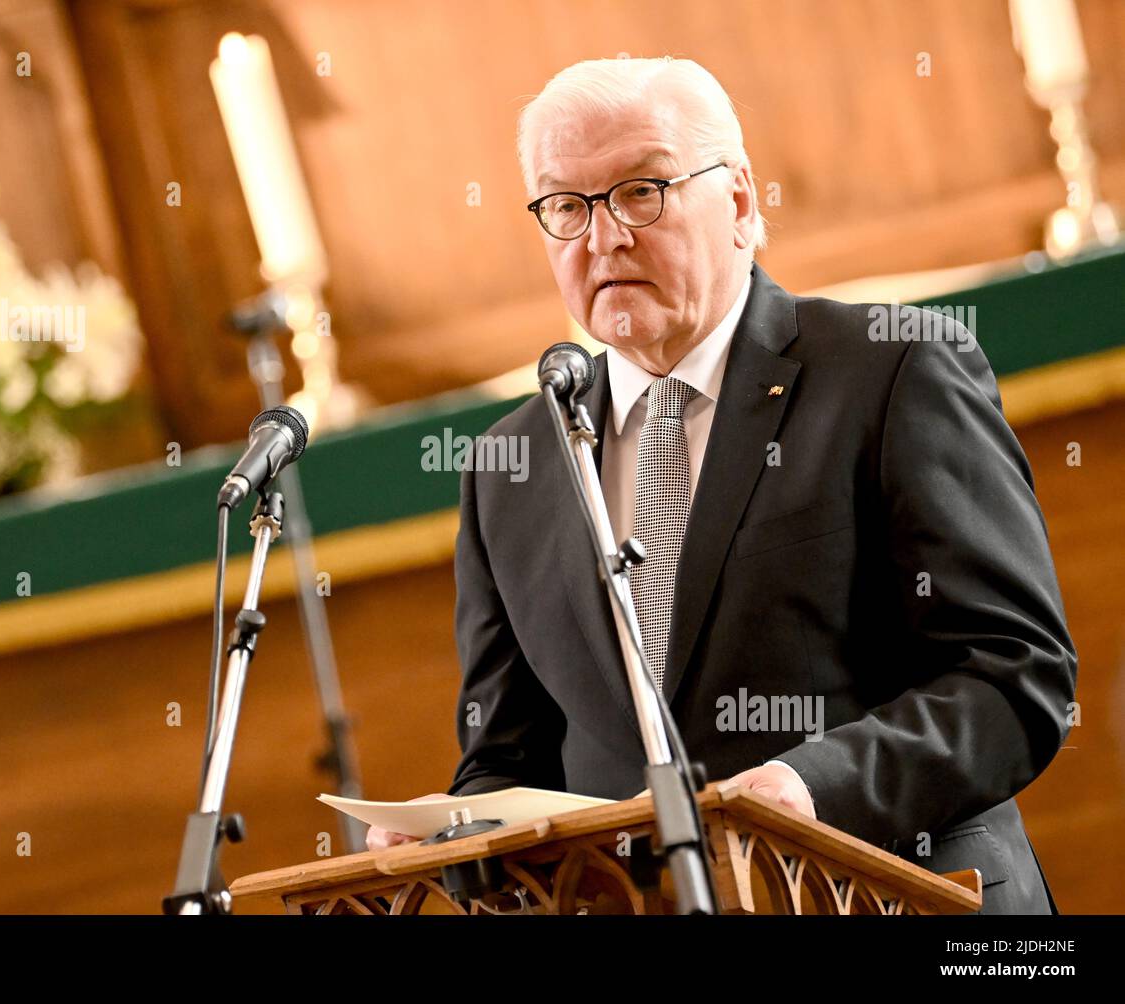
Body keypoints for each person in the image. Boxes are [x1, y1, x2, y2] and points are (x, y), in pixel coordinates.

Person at [367, 57, 1075, 915]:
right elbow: (509, 760)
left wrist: (807, 788)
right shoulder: (508, 469)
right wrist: (452, 834)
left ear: (739, 199)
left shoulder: (892, 370)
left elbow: (1012, 677)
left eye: (640, 191)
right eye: (567, 207)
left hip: (912, 896)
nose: (603, 238)